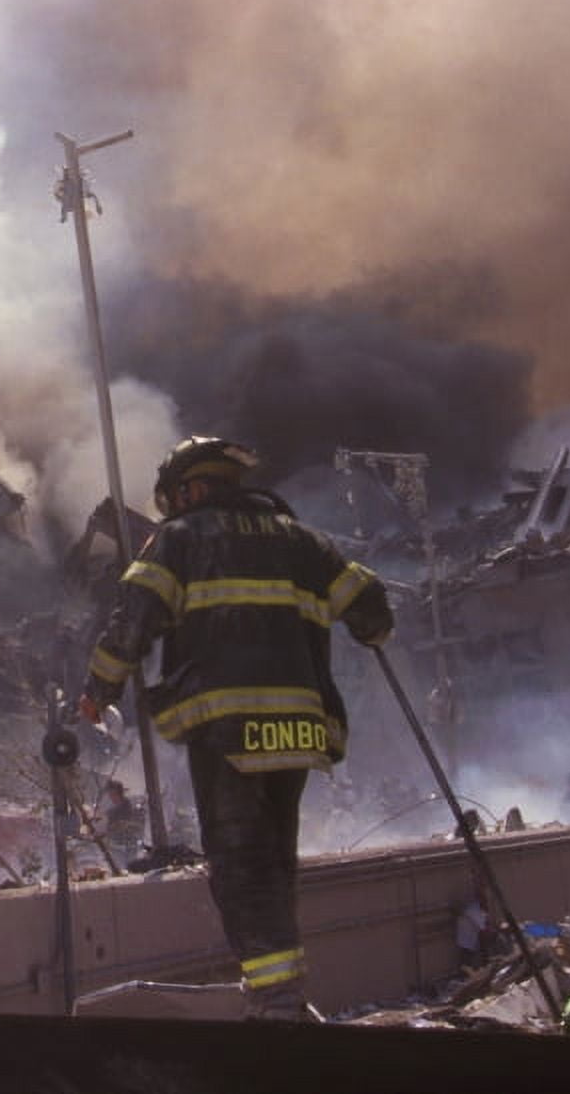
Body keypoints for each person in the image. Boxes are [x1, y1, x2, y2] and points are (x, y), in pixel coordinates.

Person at [79, 435, 393, 1021]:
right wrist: (371, 631)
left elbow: (132, 620)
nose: (175, 507)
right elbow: (370, 605)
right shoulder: (304, 540)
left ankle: (277, 1001)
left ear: (193, 488)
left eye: (176, 497)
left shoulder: (178, 540)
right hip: (299, 729)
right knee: (275, 859)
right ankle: (284, 992)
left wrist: (98, 692)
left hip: (228, 727)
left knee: (240, 866)